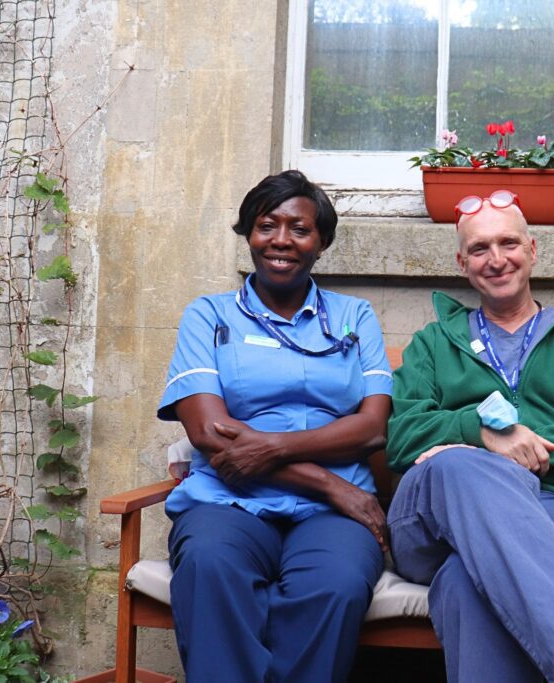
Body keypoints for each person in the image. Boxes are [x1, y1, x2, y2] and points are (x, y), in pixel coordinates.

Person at [385, 190, 554, 683]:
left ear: (533, 250)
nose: (496, 260)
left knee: (465, 580)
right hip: (431, 522)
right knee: (457, 466)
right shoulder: (433, 344)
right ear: (462, 262)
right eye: (479, 249)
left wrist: (507, 443)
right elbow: (404, 435)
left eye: (508, 244)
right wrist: (481, 437)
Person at [156, 170, 393, 683]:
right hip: (229, 498)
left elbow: (373, 428)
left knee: (336, 584)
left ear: (321, 242)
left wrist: (269, 448)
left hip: (333, 515)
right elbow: (210, 435)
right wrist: (326, 481)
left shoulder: (355, 316)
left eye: (300, 229)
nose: (281, 241)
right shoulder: (209, 316)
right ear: (247, 233)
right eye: (267, 225)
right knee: (209, 566)